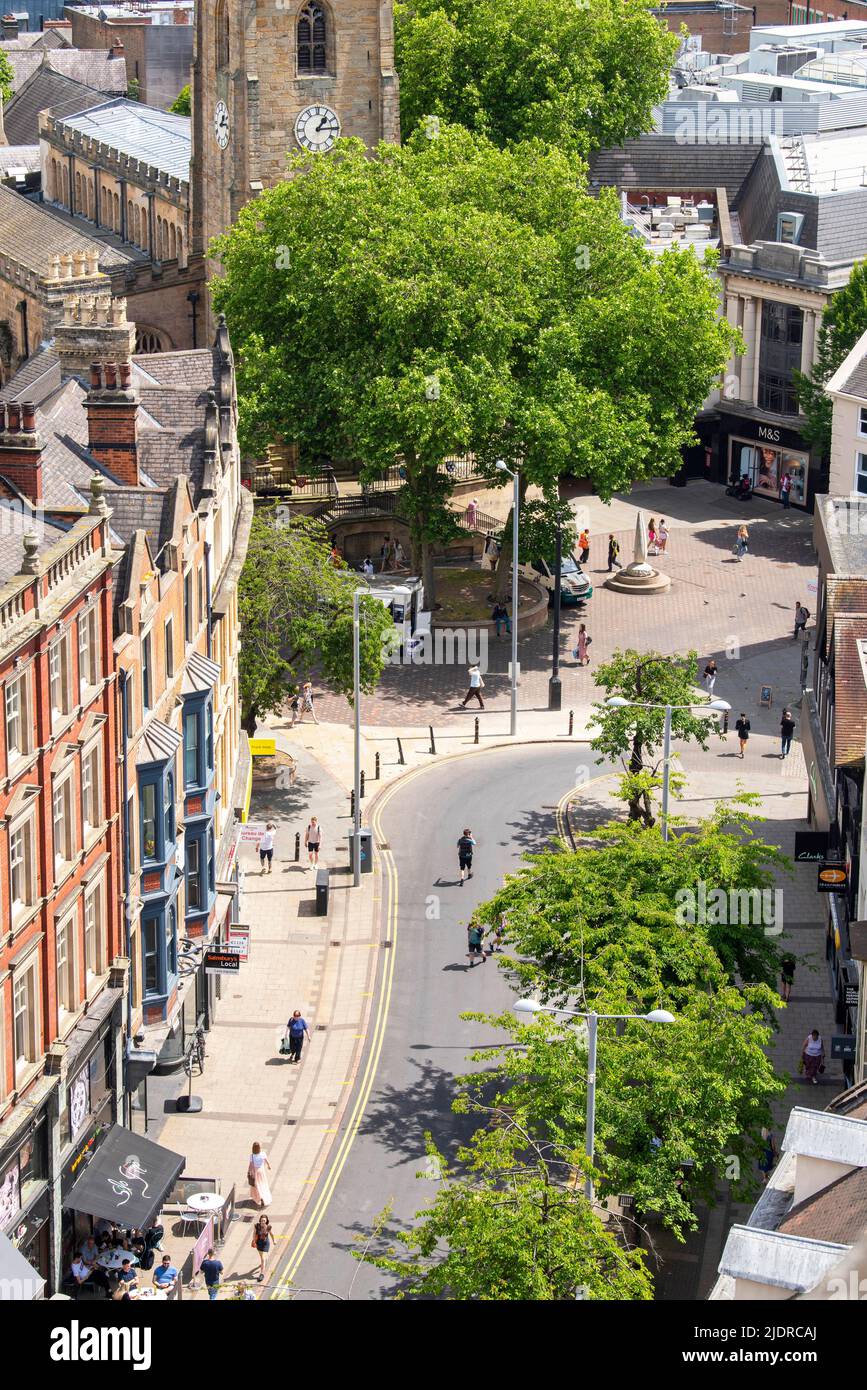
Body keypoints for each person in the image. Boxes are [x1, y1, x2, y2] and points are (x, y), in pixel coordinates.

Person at [247, 1141, 273, 1209]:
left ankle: (259, 1197)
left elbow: (251, 1165)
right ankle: (264, 1197)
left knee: (257, 1185)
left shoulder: (252, 1156)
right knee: (263, 1184)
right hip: (261, 1171)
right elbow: (266, 1160)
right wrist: (269, 1166)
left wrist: (249, 1171)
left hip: (255, 1172)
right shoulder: (263, 1154)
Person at [251, 1215, 272, 1282]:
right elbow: (254, 1233)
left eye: (264, 1220)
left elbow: (271, 1234)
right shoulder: (256, 1226)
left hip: (265, 1244)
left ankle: (262, 1274)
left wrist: (274, 1240)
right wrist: (254, 1241)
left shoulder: (268, 1227)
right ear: (260, 1220)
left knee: (263, 1259)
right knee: (262, 1257)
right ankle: (264, 1261)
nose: (263, 1221)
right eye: (262, 1220)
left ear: (266, 1221)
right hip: (259, 1244)